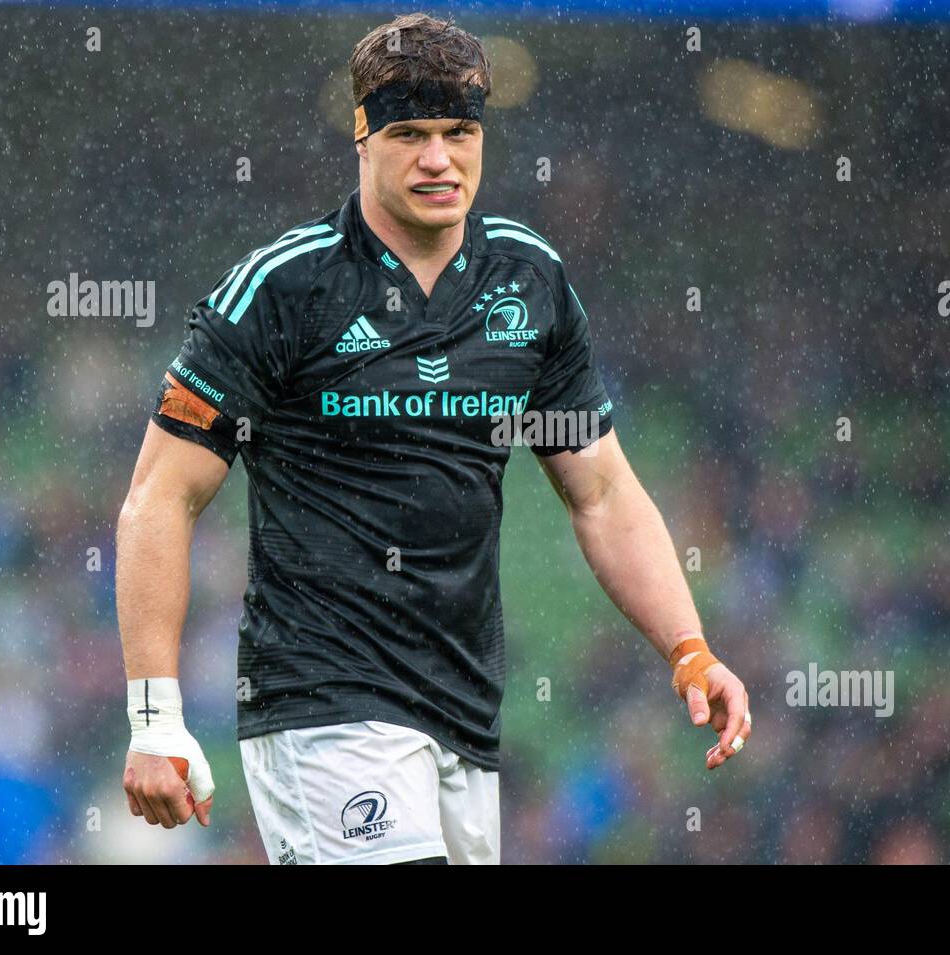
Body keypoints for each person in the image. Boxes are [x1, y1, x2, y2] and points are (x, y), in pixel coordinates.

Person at [116, 12, 750, 865]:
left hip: (464, 714)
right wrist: (153, 721)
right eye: (409, 134)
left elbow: (600, 489)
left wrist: (690, 647)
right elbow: (161, 494)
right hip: (323, 700)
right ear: (363, 140)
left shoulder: (530, 281)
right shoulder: (283, 287)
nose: (438, 158)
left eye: (459, 133)